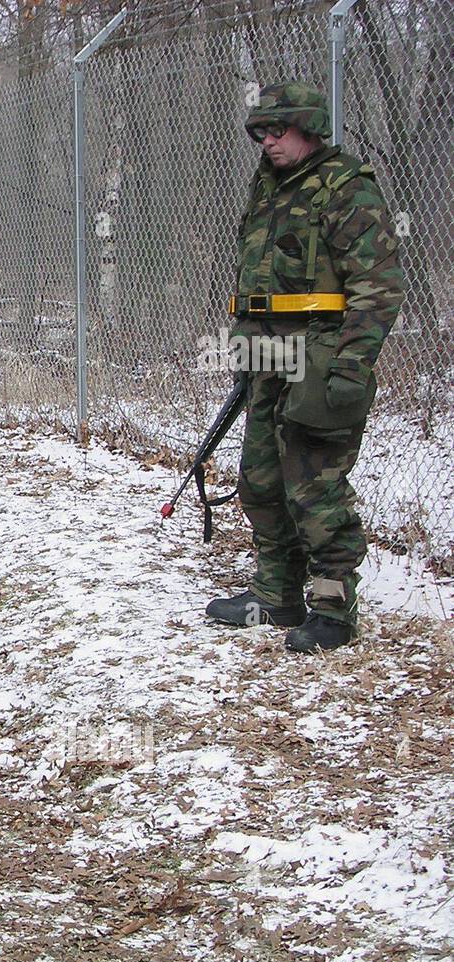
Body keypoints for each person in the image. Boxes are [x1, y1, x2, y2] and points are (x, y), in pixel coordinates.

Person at [206, 82, 403, 652]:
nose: (268, 142)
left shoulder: (346, 188)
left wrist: (351, 366)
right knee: (260, 479)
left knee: (314, 487)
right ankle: (276, 594)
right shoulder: (268, 186)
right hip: (266, 353)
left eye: (278, 130)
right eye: (260, 133)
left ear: (309, 127)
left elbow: (379, 287)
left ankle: (333, 609)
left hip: (321, 355)